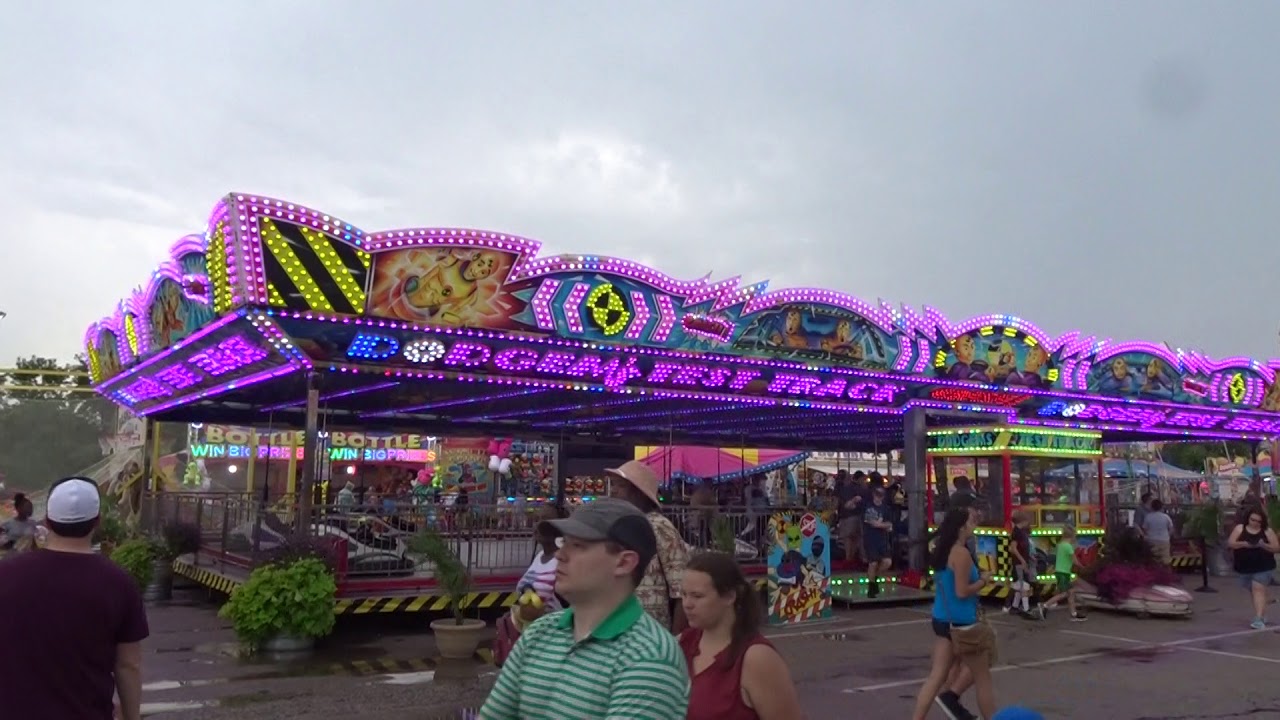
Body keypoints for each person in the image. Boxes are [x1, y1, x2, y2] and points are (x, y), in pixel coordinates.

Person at [479, 498, 689, 719]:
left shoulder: (649, 657)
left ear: (624, 563)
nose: (560, 554)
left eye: (578, 545)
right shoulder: (538, 633)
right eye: (564, 542)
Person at [0, 477, 149, 720]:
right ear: (97, 523)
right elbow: (128, 665)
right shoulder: (118, 583)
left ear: (47, 521)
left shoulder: (5, 574)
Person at [680, 551, 803, 720]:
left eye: (697, 596)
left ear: (730, 596)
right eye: (684, 594)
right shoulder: (681, 643)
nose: (687, 604)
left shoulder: (756, 658)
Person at [913, 508, 996, 720]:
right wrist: (983, 581)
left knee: (937, 676)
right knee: (983, 677)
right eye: (971, 521)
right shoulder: (961, 554)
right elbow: (962, 591)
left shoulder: (943, 550)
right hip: (962, 621)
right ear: (961, 527)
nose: (974, 524)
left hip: (942, 617)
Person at [608, 460, 691, 631]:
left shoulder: (660, 526)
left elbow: (681, 589)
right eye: (614, 485)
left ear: (638, 493)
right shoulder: (616, 526)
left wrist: (675, 641)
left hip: (654, 633)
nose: (613, 491)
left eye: (620, 486)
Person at [1226, 506, 1279, 629]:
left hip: (1264, 565)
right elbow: (1231, 543)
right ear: (1248, 518)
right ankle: (1262, 612)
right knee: (1255, 592)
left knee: (1257, 588)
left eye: (1258, 521)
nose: (1255, 523)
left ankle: (1258, 618)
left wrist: (1263, 545)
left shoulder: (1267, 531)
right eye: (1253, 520)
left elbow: (1276, 548)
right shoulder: (1240, 529)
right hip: (1244, 567)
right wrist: (1244, 544)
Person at [1037, 525, 1086, 622]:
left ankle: (1074, 614)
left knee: (1070, 593)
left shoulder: (1060, 544)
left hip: (1061, 572)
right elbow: (1075, 561)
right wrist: (1083, 567)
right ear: (1072, 536)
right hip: (1063, 573)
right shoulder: (1068, 547)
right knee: (1064, 593)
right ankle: (1044, 605)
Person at [863, 487, 893, 598]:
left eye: (880, 495)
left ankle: (875, 577)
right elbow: (870, 522)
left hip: (882, 539)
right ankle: (871, 587)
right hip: (870, 538)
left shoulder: (886, 509)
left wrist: (880, 525)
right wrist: (882, 525)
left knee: (887, 562)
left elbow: (889, 524)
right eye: (876, 494)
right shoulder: (868, 506)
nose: (878, 497)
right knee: (873, 563)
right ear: (873, 495)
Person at [1004, 511, 1033, 615]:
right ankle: (1026, 608)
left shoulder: (1019, 531)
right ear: (1023, 520)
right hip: (1019, 562)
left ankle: (1014, 606)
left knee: (1020, 584)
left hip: (1020, 561)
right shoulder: (1017, 532)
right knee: (1024, 585)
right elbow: (1013, 548)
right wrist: (1022, 560)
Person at [1141, 499, 1174, 565]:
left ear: (1152, 507)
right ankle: (1166, 574)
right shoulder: (1166, 517)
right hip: (1164, 540)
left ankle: (1155, 573)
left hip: (1152, 540)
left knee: (1153, 560)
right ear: (1161, 507)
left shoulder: (1148, 517)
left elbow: (1144, 529)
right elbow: (1171, 529)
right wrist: (1167, 536)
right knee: (1165, 561)